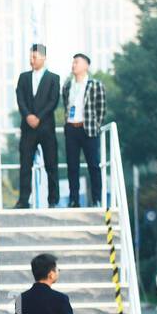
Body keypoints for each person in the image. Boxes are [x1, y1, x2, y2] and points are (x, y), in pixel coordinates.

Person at [15, 44, 61, 209]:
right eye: (30, 56)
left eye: (34, 57)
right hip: (27, 128)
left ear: (43, 57)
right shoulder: (23, 77)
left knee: (51, 164)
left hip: (46, 128)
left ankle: (53, 200)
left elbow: (53, 101)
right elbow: (20, 99)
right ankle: (23, 200)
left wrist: (38, 118)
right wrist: (28, 116)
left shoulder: (54, 78)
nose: (31, 60)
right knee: (25, 164)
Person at [61, 53, 106, 207]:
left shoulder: (95, 85)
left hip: (88, 129)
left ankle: (96, 199)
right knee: (72, 166)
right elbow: (66, 104)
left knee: (93, 165)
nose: (74, 65)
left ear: (86, 66)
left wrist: (96, 124)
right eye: (73, 62)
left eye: (77, 62)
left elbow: (101, 109)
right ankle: (74, 200)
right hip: (71, 129)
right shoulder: (67, 85)